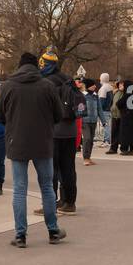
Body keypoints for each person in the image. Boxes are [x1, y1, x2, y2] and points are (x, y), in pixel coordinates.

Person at [0, 52, 66, 248]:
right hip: (43, 142)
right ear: (37, 65)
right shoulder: (47, 86)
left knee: (20, 189)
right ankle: (53, 230)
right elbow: (58, 114)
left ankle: (20, 235)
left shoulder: (8, 86)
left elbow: (0, 115)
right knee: (46, 187)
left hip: (16, 141)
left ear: (19, 65)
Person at [39, 51, 78, 214]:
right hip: (70, 130)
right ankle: (69, 202)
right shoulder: (67, 79)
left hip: (53, 131)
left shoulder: (46, 82)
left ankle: (50, 203)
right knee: (68, 167)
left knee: (51, 169)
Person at [96, 72, 114, 144]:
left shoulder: (103, 88)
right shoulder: (110, 87)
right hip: (109, 109)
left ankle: (107, 140)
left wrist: (99, 109)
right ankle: (107, 139)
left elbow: (101, 100)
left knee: (105, 125)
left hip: (104, 110)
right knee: (108, 125)